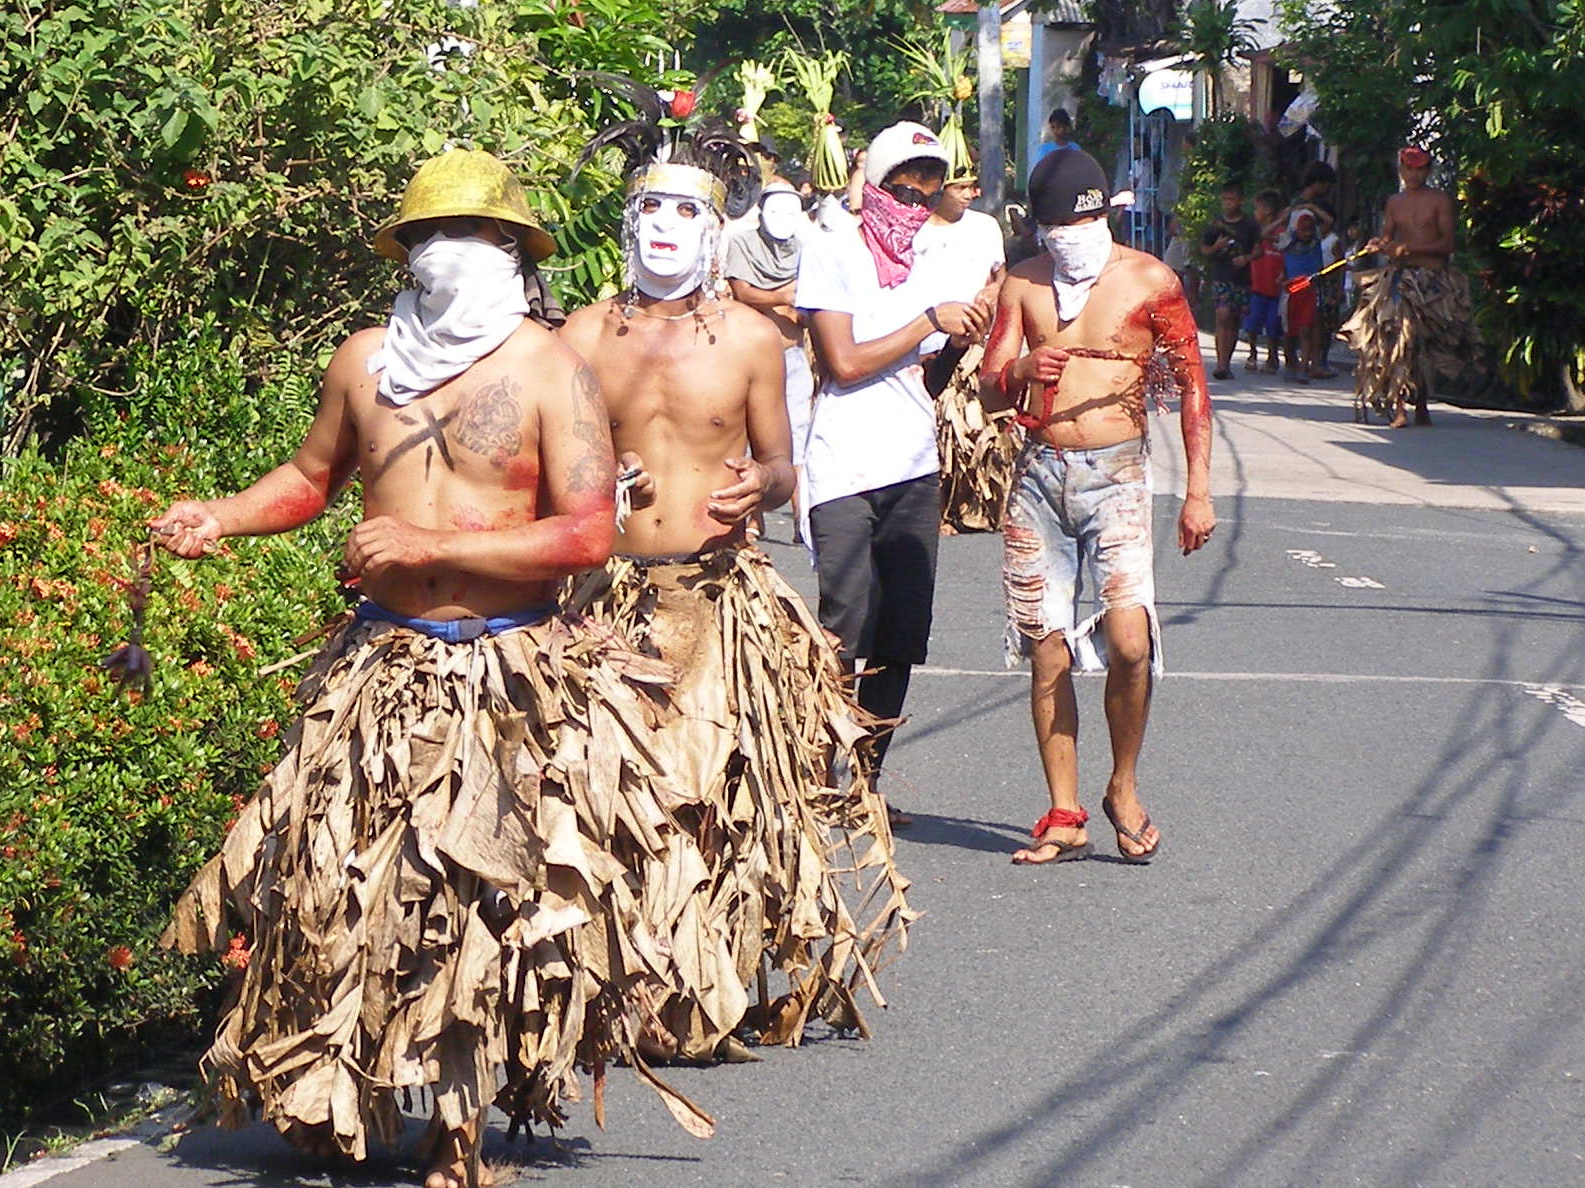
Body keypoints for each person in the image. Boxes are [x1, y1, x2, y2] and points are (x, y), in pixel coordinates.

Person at [151, 149, 730, 1186]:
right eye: (428, 236)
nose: (447, 253)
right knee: (339, 897)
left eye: (472, 234)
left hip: (503, 676)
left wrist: (432, 550)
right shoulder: (364, 359)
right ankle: (350, 1093)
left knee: (485, 909)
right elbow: (308, 475)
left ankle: (460, 1133)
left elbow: (587, 534)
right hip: (379, 669)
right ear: (406, 254)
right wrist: (220, 517)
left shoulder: (552, 370)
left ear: (512, 251)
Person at [561, 106, 913, 1052]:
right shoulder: (581, 337)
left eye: (684, 212)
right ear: (626, 224)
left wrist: (767, 479)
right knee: (611, 799)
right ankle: (617, 992)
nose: (663, 228)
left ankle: (701, 991)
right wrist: (594, 481)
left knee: (707, 798)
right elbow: (545, 466)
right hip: (607, 604)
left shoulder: (756, 343)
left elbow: (784, 465)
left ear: (715, 230)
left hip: (717, 599)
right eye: (647, 211)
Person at [979, 147, 1215, 866]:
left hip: (1117, 475)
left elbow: (1191, 385)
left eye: (1079, 219)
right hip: (1040, 474)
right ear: (1039, 226)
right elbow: (990, 388)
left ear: (1102, 213)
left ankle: (1123, 783)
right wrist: (1017, 369)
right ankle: (1063, 810)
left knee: (1131, 642)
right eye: (1053, 223)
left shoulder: (1149, 280)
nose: (1067, 234)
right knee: (1044, 648)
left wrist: (1197, 492)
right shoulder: (1022, 284)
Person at [795, 120, 994, 822]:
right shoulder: (831, 251)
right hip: (843, 468)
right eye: (900, 185)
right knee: (843, 631)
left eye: (928, 185)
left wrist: (959, 341)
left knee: (900, 634)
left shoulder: (931, 263)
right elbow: (843, 364)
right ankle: (817, 777)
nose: (913, 198)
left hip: (911, 463)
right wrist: (923, 324)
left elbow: (926, 381)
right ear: (872, 184)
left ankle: (864, 785)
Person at [912, 143, 1011, 533]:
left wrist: (993, 292)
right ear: (940, 189)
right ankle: (937, 509)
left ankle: (977, 507)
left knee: (979, 429)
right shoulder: (915, 229)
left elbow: (1002, 276)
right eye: (962, 187)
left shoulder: (985, 227)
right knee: (937, 430)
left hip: (974, 344)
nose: (971, 194)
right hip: (928, 344)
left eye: (973, 186)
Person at [1341, 145, 1479, 427]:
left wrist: (1409, 248)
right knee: (1395, 338)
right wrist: (1379, 244)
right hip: (1400, 280)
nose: (1413, 174)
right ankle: (1400, 407)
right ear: (1401, 170)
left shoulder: (1440, 201)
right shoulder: (1394, 202)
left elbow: (1448, 243)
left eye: (1419, 169)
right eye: (1408, 168)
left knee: (1423, 344)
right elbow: (1387, 237)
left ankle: (1422, 404)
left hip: (1432, 282)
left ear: (1428, 170)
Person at [725, 179, 816, 535]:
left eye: (790, 210)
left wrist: (800, 309)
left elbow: (810, 300)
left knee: (797, 435)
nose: (782, 217)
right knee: (745, 438)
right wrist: (783, 297)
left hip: (793, 355)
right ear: (761, 211)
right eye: (775, 209)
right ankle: (750, 519)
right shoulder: (742, 244)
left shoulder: (806, 250)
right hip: (747, 359)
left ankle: (802, 519)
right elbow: (743, 292)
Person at [1199, 181, 1259, 380]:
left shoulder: (1249, 224)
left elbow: (1258, 249)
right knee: (1222, 314)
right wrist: (1217, 246)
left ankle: (1227, 361)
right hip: (1221, 275)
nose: (1227, 204)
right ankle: (1220, 363)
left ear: (1240, 201)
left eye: (1231, 199)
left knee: (1233, 319)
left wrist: (1247, 258)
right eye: (1224, 200)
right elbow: (1204, 249)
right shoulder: (1216, 224)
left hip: (1241, 278)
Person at [1243, 191, 1284, 374]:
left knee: (1273, 324)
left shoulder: (1281, 233)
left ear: (1268, 211)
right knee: (1253, 322)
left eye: (1257, 208)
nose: (1255, 212)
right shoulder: (1254, 230)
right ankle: (1252, 353)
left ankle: (1272, 356)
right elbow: (1260, 236)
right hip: (1257, 285)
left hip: (1275, 286)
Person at [1281, 210, 1325, 382]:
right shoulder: (1288, 243)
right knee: (1289, 332)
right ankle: (1290, 364)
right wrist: (1284, 216)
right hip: (1290, 291)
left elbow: (1329, 222)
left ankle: (1304, 367)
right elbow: (1265, 235)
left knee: (1306, 329)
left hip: (1310, 291)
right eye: (1303, 229)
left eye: (1310, 229)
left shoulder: (1316, 243)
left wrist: (1310, 206)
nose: (1307, 233)